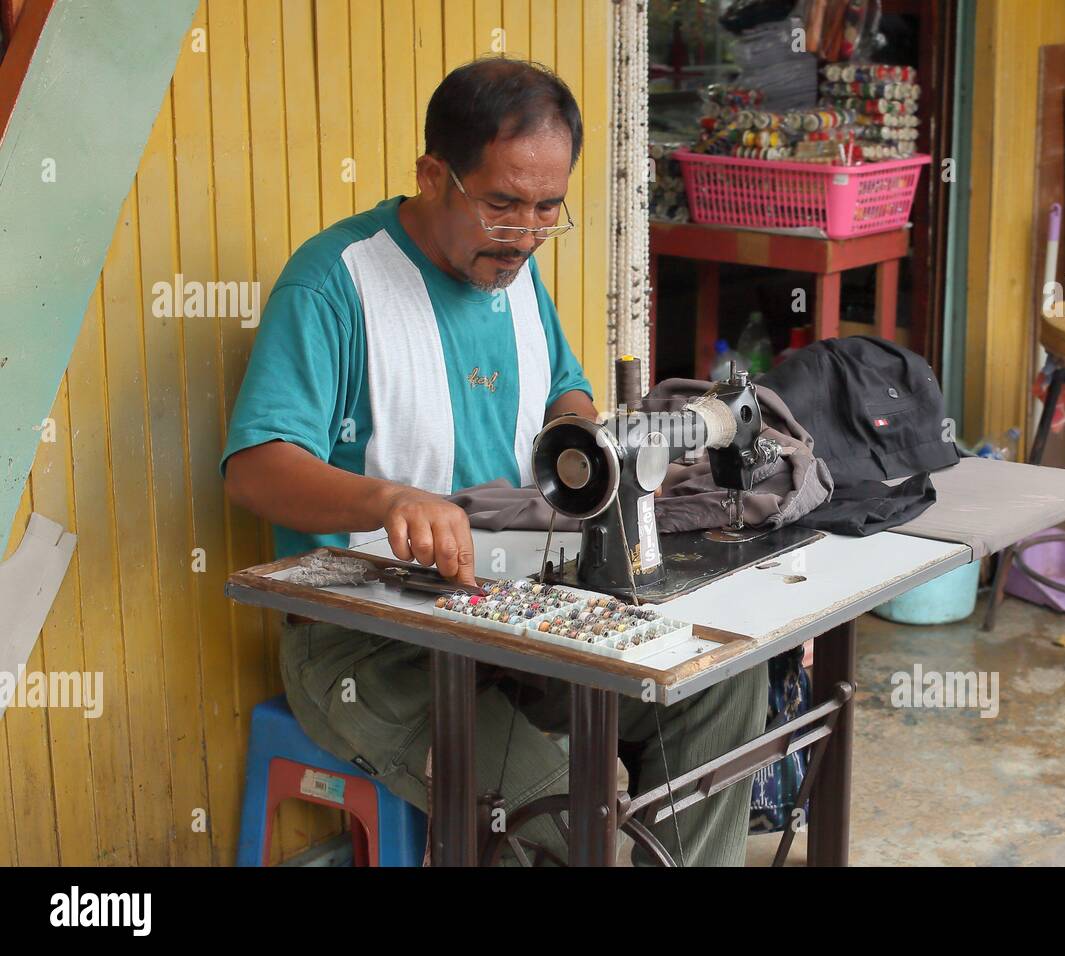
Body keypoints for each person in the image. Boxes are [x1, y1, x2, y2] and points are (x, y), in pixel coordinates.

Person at [221, 58, 766, 866]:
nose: (525, 231)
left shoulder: (514, 274)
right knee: (566, 820)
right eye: (503, 203)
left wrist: (592, 441)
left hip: (510, 620)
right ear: (433, 174)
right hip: (370, 647)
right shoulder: (337, 282)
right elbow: (254, 467)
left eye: (549, 208)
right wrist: (391, 501)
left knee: (719, 688)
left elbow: (567, 394)